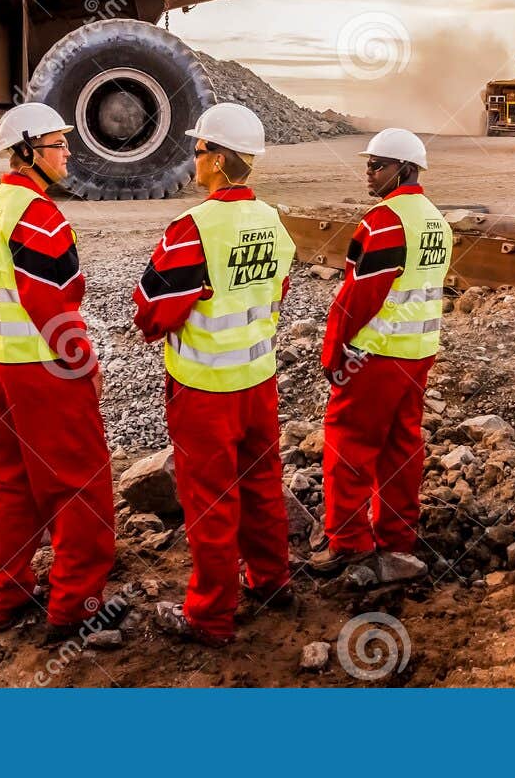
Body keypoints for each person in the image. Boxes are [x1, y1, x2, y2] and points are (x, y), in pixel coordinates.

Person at [133, 103, 296, 645]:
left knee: (211, 503)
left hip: (204, 392)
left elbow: (151, 313)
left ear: (221, 160)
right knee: (262, 487)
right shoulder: (271, 221)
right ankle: (272, 582)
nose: (193, 159)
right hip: (258, 381)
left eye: (199, 150)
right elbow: (277, 291)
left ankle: (210, 616)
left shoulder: (192, 228)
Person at [0, 102, 120, 644]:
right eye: (58, 143)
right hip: (41, 371)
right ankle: (76, 607)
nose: (67, 152)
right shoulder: (38, 214)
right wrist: (83, 362)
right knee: (80, 485)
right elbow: (50, 303)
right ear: (29, 151)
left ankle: (5, 595)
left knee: (13, 485)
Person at [310, 128, 449, 583]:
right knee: (402, 445)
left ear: (403, 170)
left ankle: (349, 543)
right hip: (418, 353)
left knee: (349, 443)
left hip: (375, 356)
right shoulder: (435, 221)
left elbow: (359, 295)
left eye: (377, 166)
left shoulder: (386, 221)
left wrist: (334, 350)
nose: (367, 173)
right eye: (368, 164)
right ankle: (397, 535)